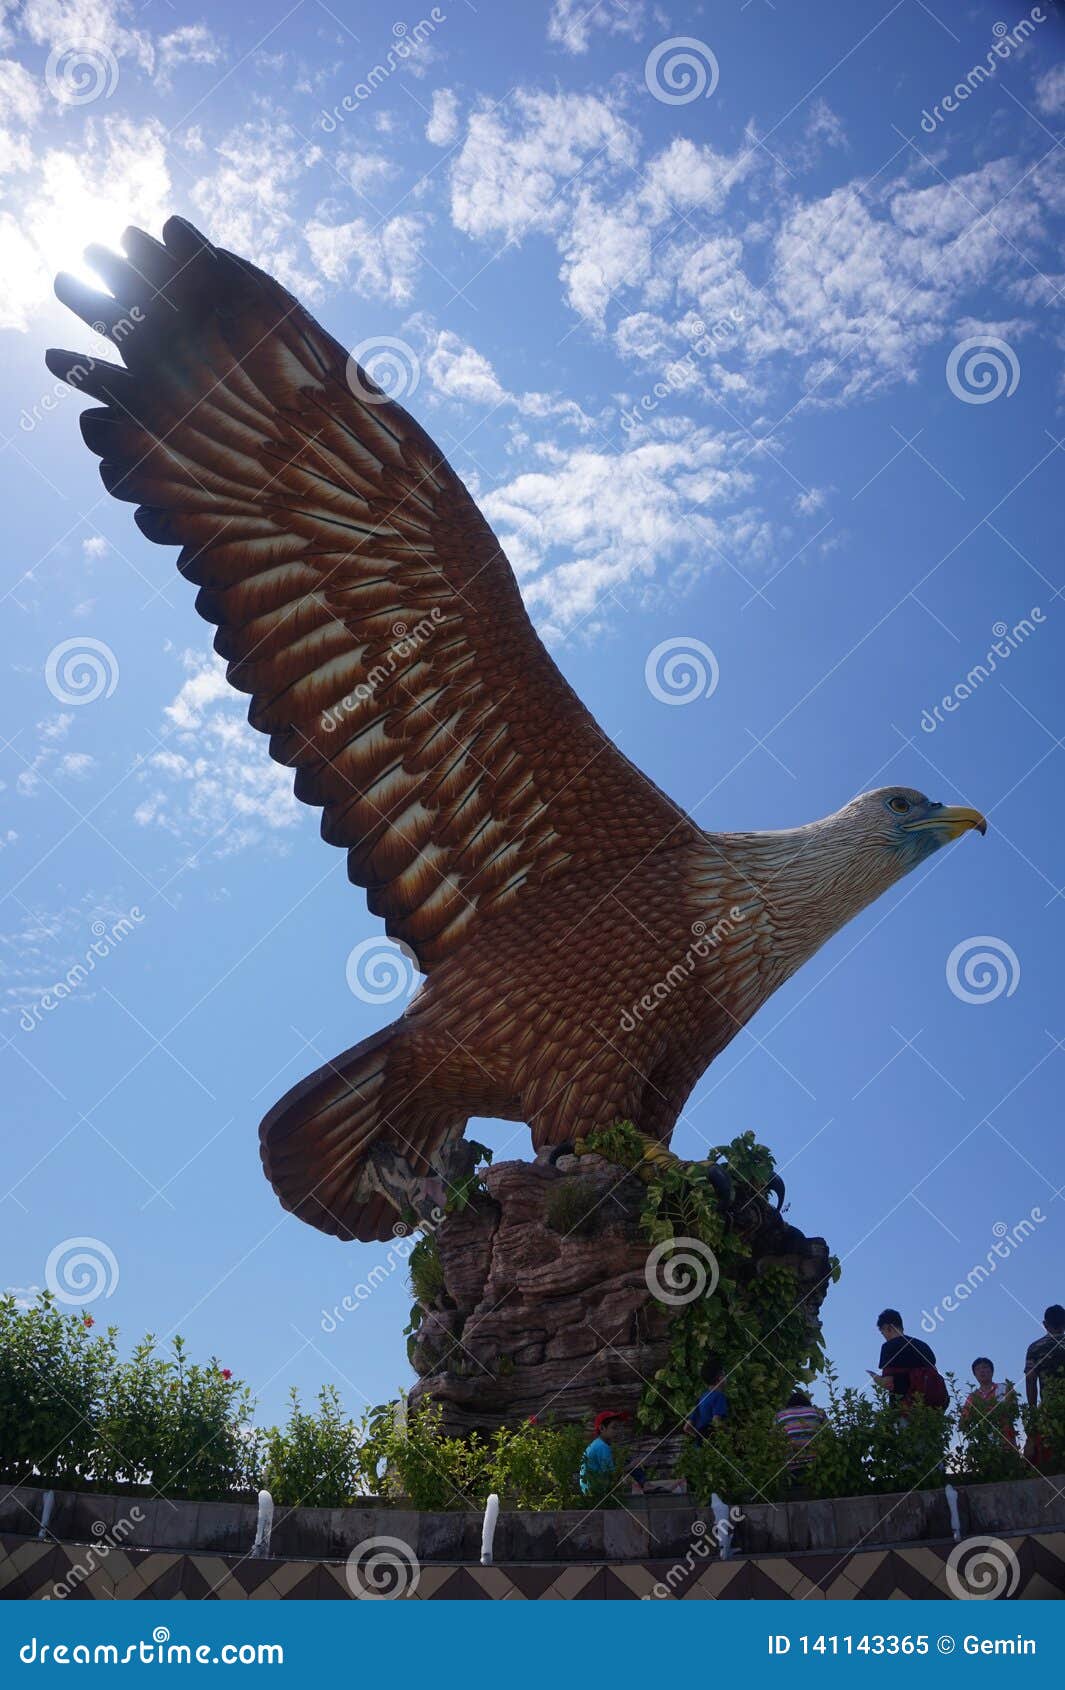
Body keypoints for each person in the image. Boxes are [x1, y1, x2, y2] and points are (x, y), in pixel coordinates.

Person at [869, 1308, 947, 1408]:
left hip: (904, 1408)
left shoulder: (889, 1347)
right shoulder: (923, 1346)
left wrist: (876, 1379)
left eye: (882, 1332)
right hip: (932, 1408)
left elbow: (888, 1383)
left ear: (888, 1327)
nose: (884, 1336)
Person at [579, 1410, 645, 1496]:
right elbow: (612, 1475)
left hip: (592, 1488)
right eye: (614, 1427)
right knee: (631, 1468)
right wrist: (632, 1465)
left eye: (617, 1428)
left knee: (627, 1464)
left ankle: (642, 1487)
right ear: (602, 1428)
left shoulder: (598, 1444)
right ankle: (642, 1490)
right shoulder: (602, 1447)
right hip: (596, 1491)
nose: (617, 1431)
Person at [960, 1357, 1018, 1445]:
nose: (981, 1371)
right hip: (984, 1446)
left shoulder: (1005, 1388)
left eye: (985, 1367)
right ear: (974, 1375)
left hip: (1007, 1443)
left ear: (992, 1371)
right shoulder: (972, 1397)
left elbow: (1014, 1412)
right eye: (978, 1369)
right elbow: (963, 1423)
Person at [1024, 1304, 1065, 1409]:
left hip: (1050, 1409)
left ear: (1045, 1324)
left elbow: (1030, 1379)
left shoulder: (1034, 1348)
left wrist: (1032, 1410)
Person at [775, 1389, 828, 1470]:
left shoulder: (780, 1416)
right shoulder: (818, 1413)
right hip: (816, 1465)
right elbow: (828, 1434)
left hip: (790, 1466)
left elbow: (773, 1438)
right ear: (807, 1403)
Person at [684, 1356, 729, 1440]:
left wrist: (703, 1440)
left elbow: (687, 1428)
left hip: (700, 1451)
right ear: (720, 1378)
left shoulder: (702, 1397)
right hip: (713, 1448)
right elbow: (716, 1422)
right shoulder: (719, 1396)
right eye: (725, 1374)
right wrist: (731, 1433)